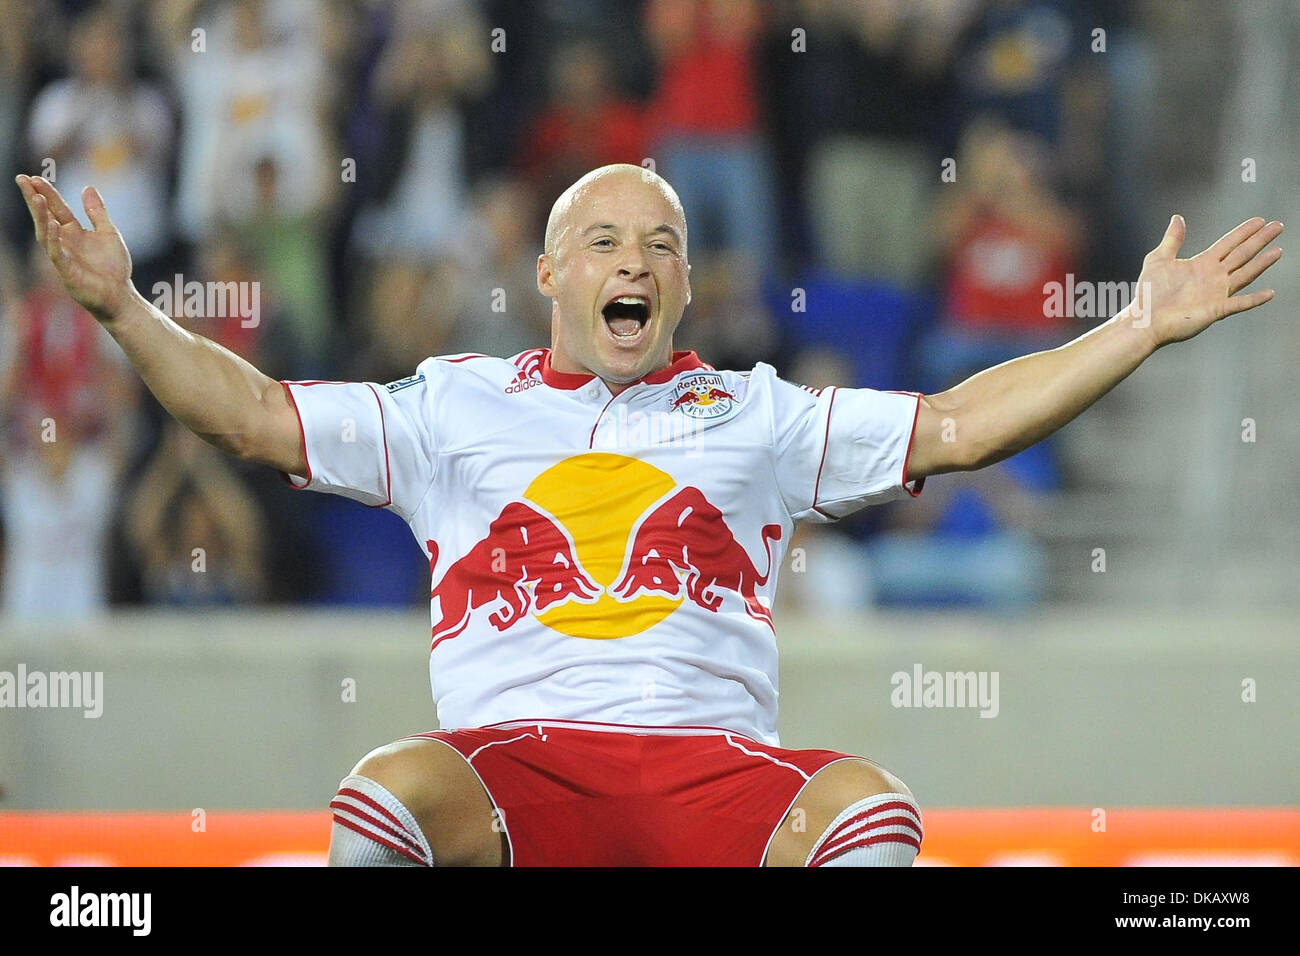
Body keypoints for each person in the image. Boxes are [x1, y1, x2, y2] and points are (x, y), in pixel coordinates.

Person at [13, 164, 1281, 866]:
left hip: (714, 772)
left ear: (682, 282)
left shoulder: (760, 411)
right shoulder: (452, 406)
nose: (634, 259)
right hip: (518, 764)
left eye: (661, 243)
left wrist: (1137, 323)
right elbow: (249, 414)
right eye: (605, 239)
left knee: (876, 814)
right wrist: (128, 311)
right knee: (379, 800)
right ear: (551, 275)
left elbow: (958, 425)